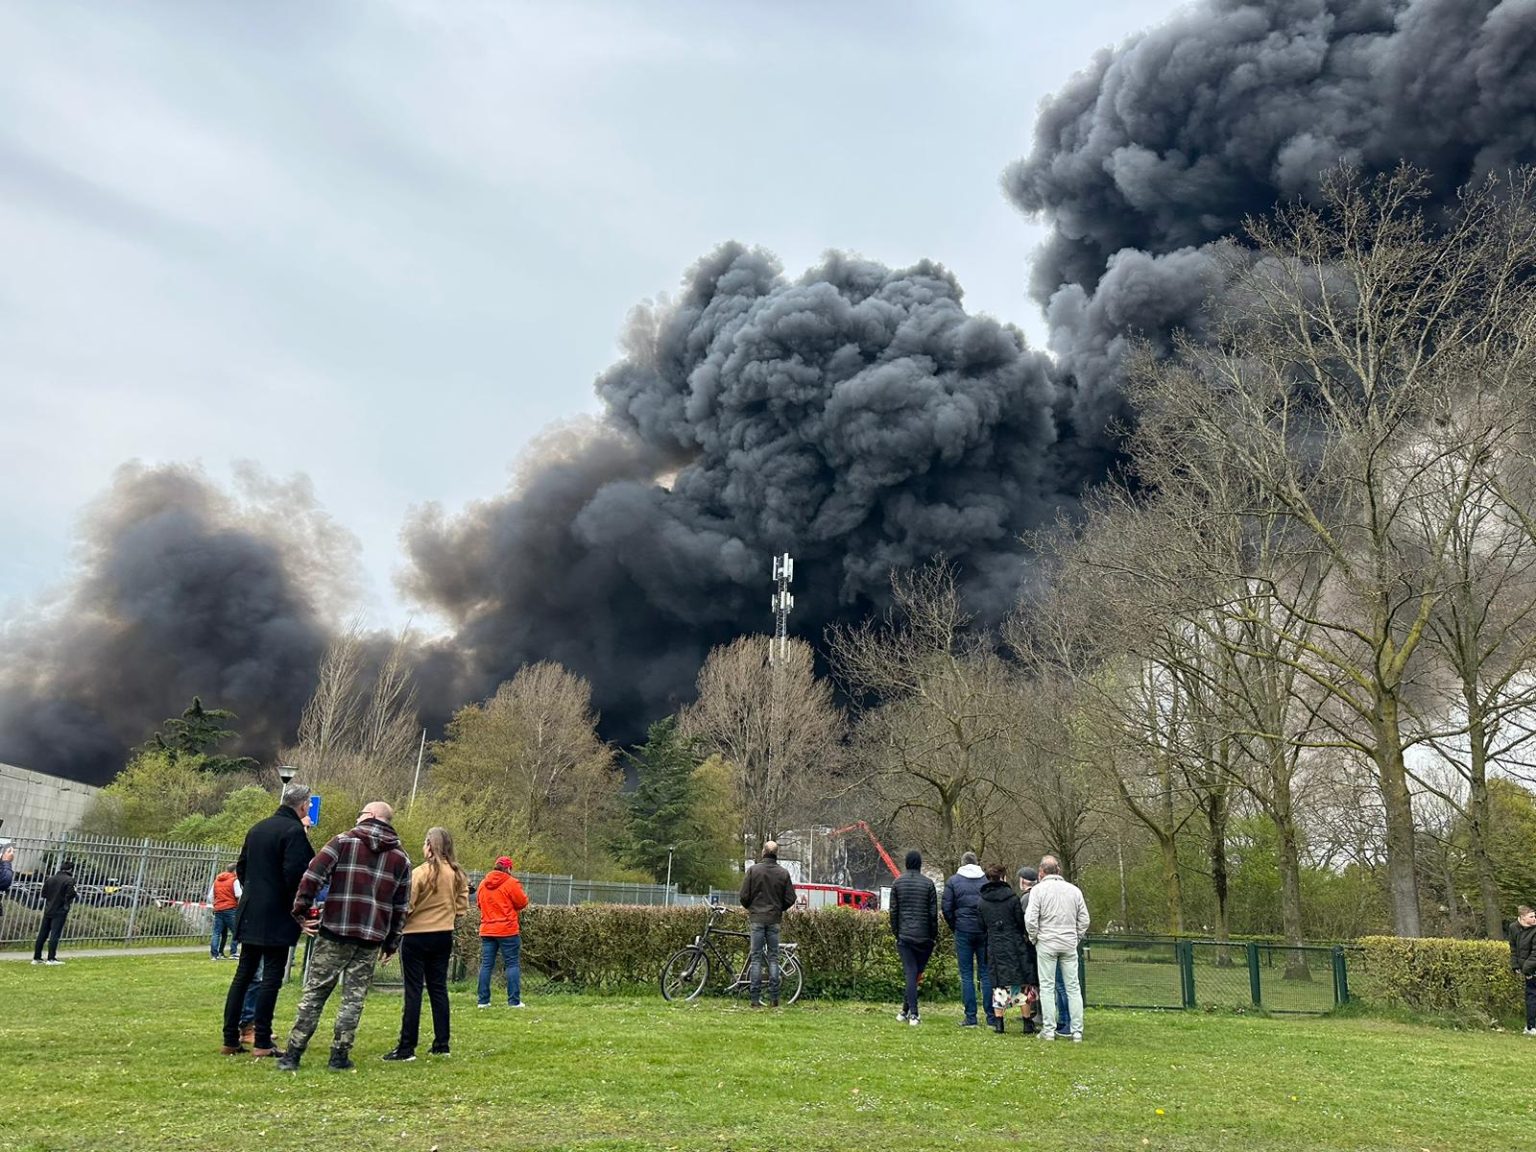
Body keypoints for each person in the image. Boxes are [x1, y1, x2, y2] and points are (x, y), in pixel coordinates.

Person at [276, 801, 412, 1071]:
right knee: (354, 998)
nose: (358, 817)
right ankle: (339, 1056)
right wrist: (392, 942)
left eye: (361, 813)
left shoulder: (343, 841)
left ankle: (293, 1054)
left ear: (370, 816)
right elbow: (401, 906)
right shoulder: (401, 858)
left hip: (336, 929)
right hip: (371, 936)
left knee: (315, 993)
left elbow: (312, 875)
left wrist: (301, 910)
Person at [222, 783, 314, 1056]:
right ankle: (262, 1040)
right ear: (301, 806)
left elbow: (241, 866)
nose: (308, 809)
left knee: (244, 974)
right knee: (271, 976)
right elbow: (297, 876)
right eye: (308, 805)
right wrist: (300, 912)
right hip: (277, 913)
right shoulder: (294, 831)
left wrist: (254, 890)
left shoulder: (257, 828)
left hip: (250, 910)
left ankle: (230, 1038)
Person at [383, 827, 470, 1061]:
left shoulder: (420, 873)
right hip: (443, 934)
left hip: (416, 935)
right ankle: (442, 1043)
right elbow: (462, 907)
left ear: (430, 846)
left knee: (413, 991)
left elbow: (406, 906)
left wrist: (396, 929)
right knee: (438, 989)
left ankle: (406, 1047)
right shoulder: (457, 874)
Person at [1024, 854, 1089, 1042]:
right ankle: (1077, 1030)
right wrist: (1075, 937)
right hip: (1068, 943)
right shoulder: (1074, 890)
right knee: (1073, 987)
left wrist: (1035, 937)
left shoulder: (1037, 891)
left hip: (1046, 943)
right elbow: (1084, 919)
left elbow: (1030, 919)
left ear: (1041, 872)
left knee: (1047, 987)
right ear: (1058, 870)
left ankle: (1049, 1030)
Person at [977, 863, 1036, 1034]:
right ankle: (1027, 1023)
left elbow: (981, 925)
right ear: (1003, 877)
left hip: (995, 944)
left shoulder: (982, 901)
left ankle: (999, 1023)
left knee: (999, 985)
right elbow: (1020, 921)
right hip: (1014, 944)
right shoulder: (1012, 898)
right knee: (1021, 983)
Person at [739, 838, 797, 1008]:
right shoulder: (783, 873)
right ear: (776, 854)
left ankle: (755, 999)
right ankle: (774, 998)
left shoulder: (753, 871)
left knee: (756, 958)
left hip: (757, 918)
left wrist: (752, 908)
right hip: (774, 919)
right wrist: (779, 908)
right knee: (773, 958)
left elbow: (743, 896)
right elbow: (790, 898)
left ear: (764, 852)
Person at [942, 850, 993, 1028]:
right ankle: (991, 1017)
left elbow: (946, 908)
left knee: (966, 975)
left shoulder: (953, 881)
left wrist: (955, 926)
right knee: (985, 974)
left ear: (962, 863)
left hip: (963, 930)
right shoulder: (985, 881)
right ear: (977, 862)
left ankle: (970, 1017)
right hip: (982, 931)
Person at [889, 849, 938, 1026]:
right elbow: (933, 914)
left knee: (911, 973)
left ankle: (908, 1012)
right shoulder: (928, 884)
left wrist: (897, 932)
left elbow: (893, 911)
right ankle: (910, 1012)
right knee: (915, 973)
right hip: (924, 936)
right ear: (920, 864)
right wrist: (933, 936)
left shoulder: (897, 883)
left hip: (905, 936)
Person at [1018, 866, 1068, 1034]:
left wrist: (1031, 938)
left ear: (1023, 880)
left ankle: (1041, 1015)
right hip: (1056, 941)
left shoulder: (1027, 898)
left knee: (1039, 982)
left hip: (1037, 943)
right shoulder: (1049, 893)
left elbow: (1027, 921)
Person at [476, 855, 530, 1008]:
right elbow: (522, 902)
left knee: (486, 965)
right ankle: (514, 1001)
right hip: (507, 930)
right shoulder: (511, 883)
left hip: (487, 929)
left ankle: (483, 1001)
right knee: (512, 964)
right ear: (508, 868)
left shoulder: (483, 884)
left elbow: (479, 904)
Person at [32, 860, 77, 965]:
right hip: (60, 909)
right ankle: (51, 958)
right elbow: (71, 894)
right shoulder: (70, 880)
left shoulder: (50, 879)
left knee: (42, 934)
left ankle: (37, 957)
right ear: (71, 869)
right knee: (55, 934)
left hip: (48, 909)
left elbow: (44, 894)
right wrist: (65, 903)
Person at [1509, 905, 1536, 1035]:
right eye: (1531, 917)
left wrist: (1526, 970)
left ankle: (1532, 1026)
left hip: (1531, 969)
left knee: (1532, 996)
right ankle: (1531, 1026)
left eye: (1534, 916)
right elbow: (1513, 949)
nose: (1534, 918)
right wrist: (1515, 966)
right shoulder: (1513, 928)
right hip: (1528, 969)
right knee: (1531, 997)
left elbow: (1535, 954)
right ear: (1522, 918)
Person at [210, 863, 241, 960]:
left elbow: (210, 896)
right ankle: (233, 952)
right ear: (235, 871)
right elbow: (238, 894)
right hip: (230, 909)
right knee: (236, 931)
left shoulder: (217, 881)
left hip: (218, 909)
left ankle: (215, 954)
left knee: (217, 932)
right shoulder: (234, 880)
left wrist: (215, 904)